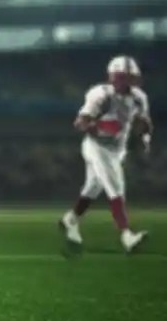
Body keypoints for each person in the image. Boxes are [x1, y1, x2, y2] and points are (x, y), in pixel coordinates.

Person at [59, 55, 151, 254]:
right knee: (116, 188)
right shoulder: (100, 94)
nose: (127, 82)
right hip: (97, 146)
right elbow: (80, 122)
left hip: (118, 150)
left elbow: (145, 122)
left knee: (92, 188)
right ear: (113, 77)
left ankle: (71, 219)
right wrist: (100, 126)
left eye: (130, 77)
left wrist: (145, 138)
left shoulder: (139, 97)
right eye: (123, 77)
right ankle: (127, 236)